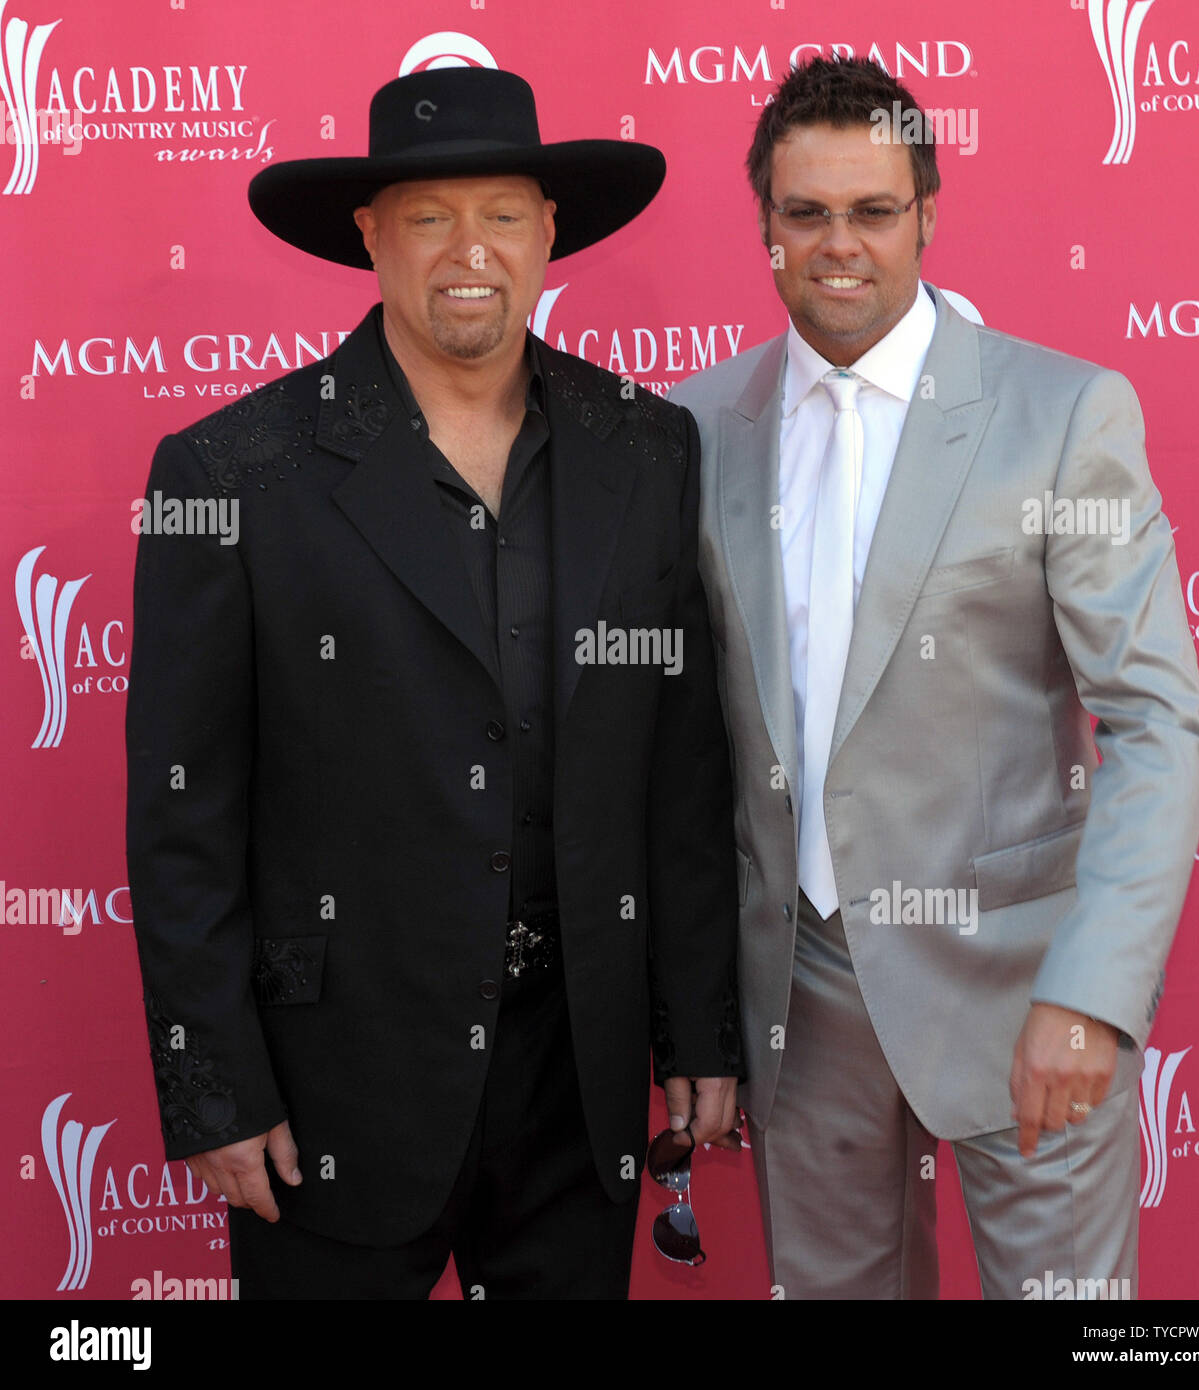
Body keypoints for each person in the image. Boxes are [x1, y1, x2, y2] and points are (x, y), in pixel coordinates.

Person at [126, 66, 742, 1301]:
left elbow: (680, 771)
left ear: (551, 230)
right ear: (370, 237)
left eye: (504, 214)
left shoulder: (650, 446)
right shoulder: (230, 471)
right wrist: (213, 1084)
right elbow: (183, 814)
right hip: (328, 1086)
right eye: (429, 216)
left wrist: (700, 1028)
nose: (472, 251)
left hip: (580, 1078)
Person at [670, 55, 1199, 1300]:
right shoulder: (695, 430)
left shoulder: (1063, 412)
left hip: (1025, 987)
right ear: (765, 227)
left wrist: (1094, 994)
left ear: (928, 212)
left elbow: (1157, 723)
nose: (839, 245)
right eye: (806, 214)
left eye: (873, 211)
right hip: (799, 1007)